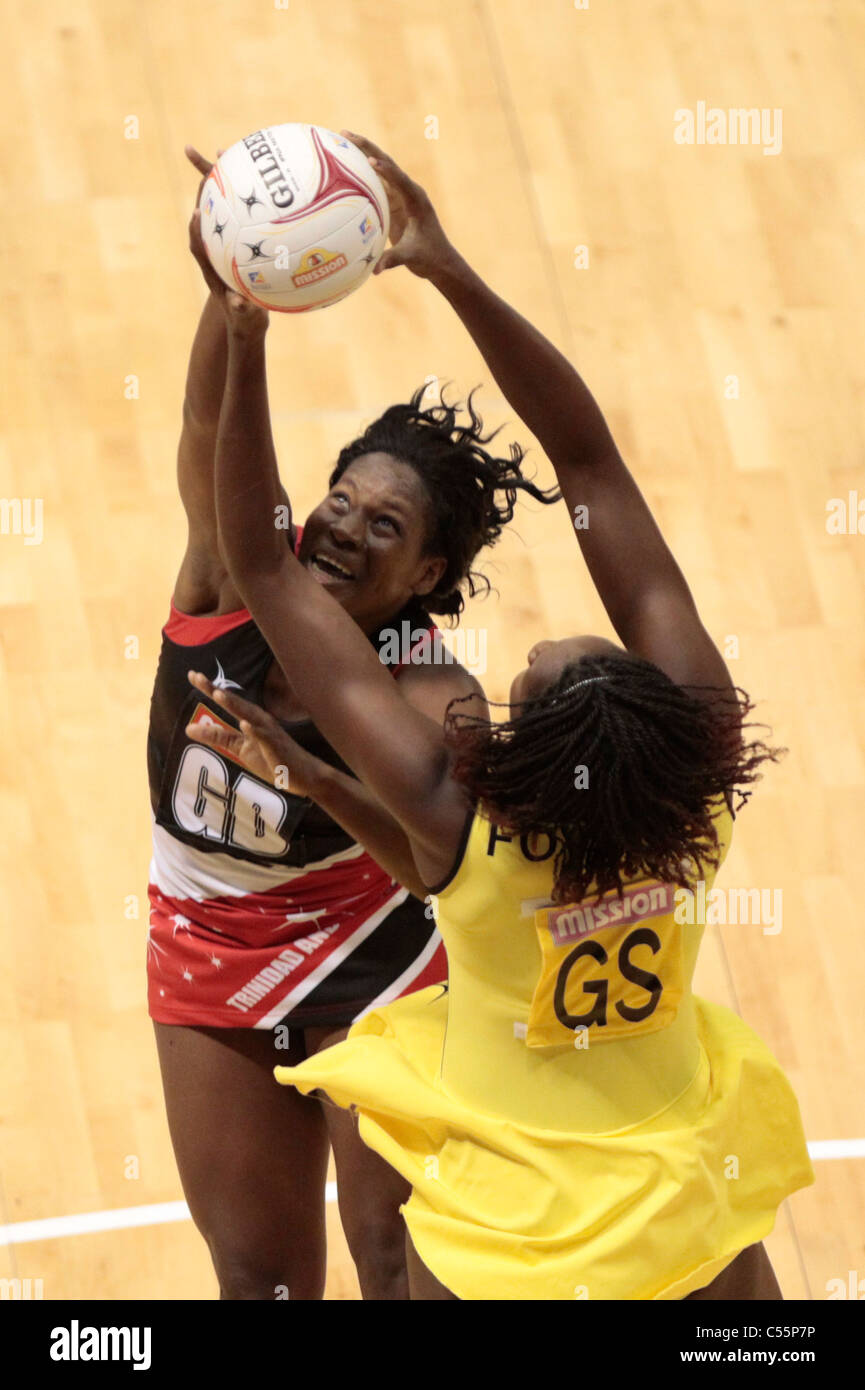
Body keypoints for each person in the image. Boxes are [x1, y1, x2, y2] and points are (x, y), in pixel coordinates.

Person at [187, 132, 814, 1300]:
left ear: (525, 749)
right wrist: (453, 271)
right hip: (681, 1200)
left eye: (531, 675)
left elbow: (265, 575)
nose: (538, 646)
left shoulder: (462, 824)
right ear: (654, 713)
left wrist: (246, 320)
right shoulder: (698, 790)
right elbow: (590, 469)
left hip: (507, 1239)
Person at [148, 146, 557, 1301]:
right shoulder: (228, 580)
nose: (344, 529)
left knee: (396, 1265)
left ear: (428, 571)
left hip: (372, 953)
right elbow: (202, 436)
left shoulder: (435, 695)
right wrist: (234, 304)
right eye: (342, 498)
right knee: (261, 1277)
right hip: (205, 932)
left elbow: (439, 865)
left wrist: (313, 774)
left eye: (386, 527)